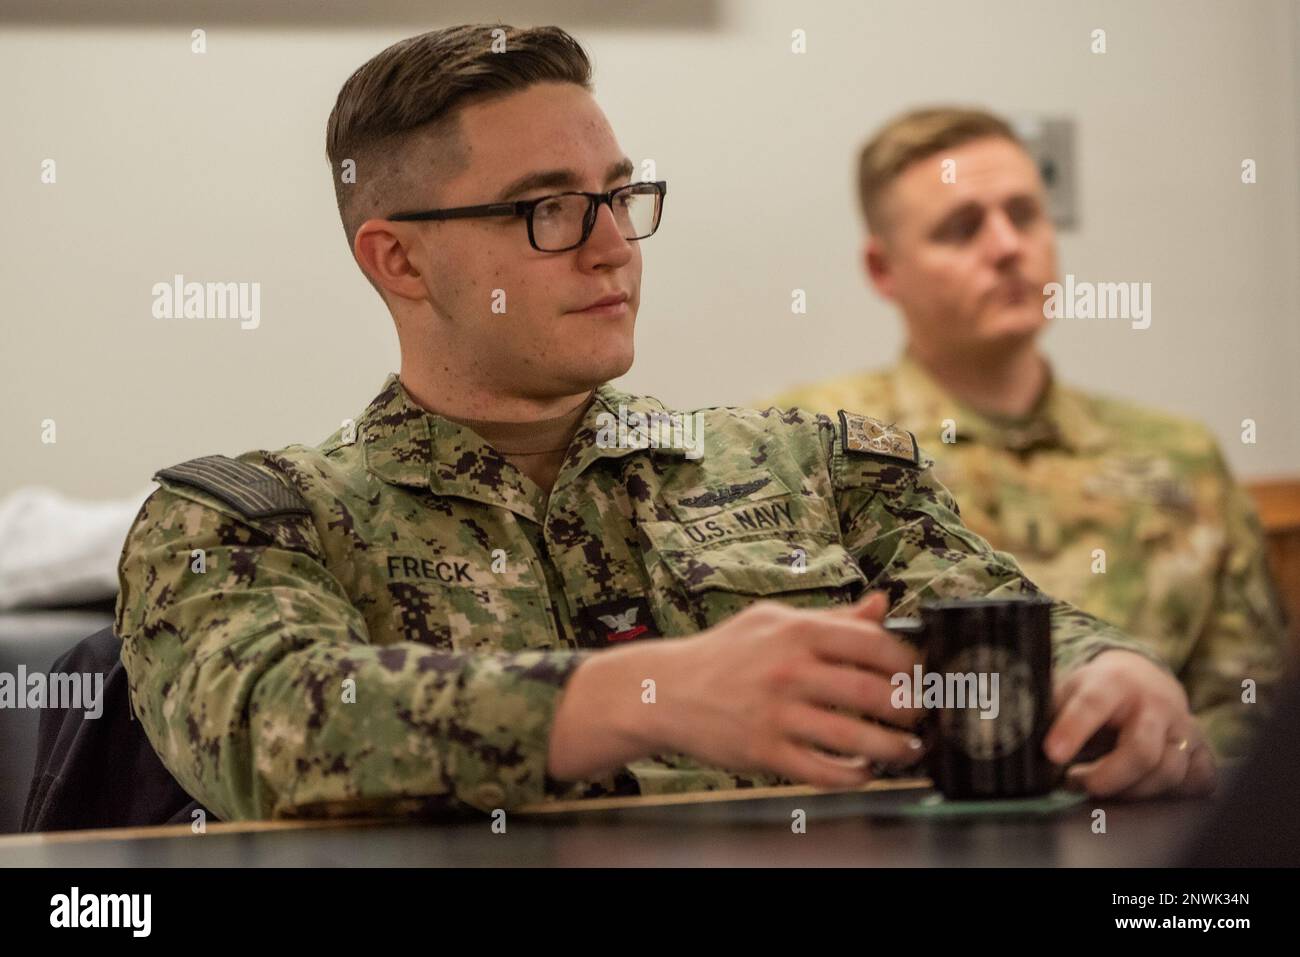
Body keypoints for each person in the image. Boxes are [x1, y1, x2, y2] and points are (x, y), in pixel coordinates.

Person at [115, 28, 1215, 823]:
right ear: (398, 257)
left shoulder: (816, 467)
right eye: (547, 208)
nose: (612, 246)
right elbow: (270, 730)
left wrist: (1114, 676)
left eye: (619, 194)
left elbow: (1007, 626)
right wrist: (645, 696)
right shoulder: (251, 522)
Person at [768, 107, 1290, 762]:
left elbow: (1250, 703)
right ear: (883, 269)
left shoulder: (1177, 456)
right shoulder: (813, 445)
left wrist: (1173, 762)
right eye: (962, 228)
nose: (1007, 245)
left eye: (1024, 214)